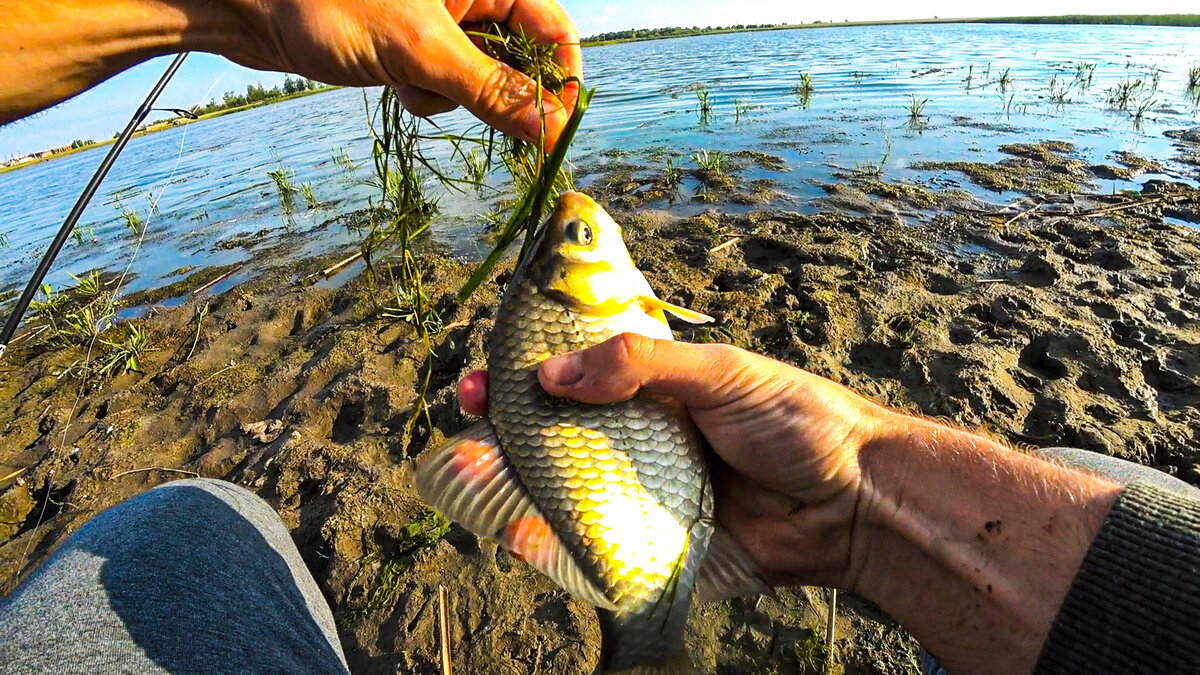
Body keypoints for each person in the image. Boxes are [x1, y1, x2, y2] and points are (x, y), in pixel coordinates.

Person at [1, 2, 1197, 674]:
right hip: (698, 511)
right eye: (570, 253)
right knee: (1091, 487)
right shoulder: (614, 314)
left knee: (178, 530)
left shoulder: (609, 324)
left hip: (644, 500)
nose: (579, 227)